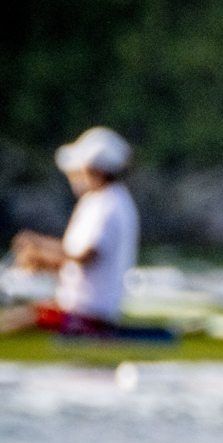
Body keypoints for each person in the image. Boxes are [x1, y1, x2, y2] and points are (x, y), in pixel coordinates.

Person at [9, 127, 140, 334]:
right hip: (77, 310)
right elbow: (84, 266)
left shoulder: (110, 203)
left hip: (91, 317)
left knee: (17, 320)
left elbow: (87, 256)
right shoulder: (96, 200)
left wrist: (39, 246)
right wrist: (43, 262)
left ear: (89, 169)